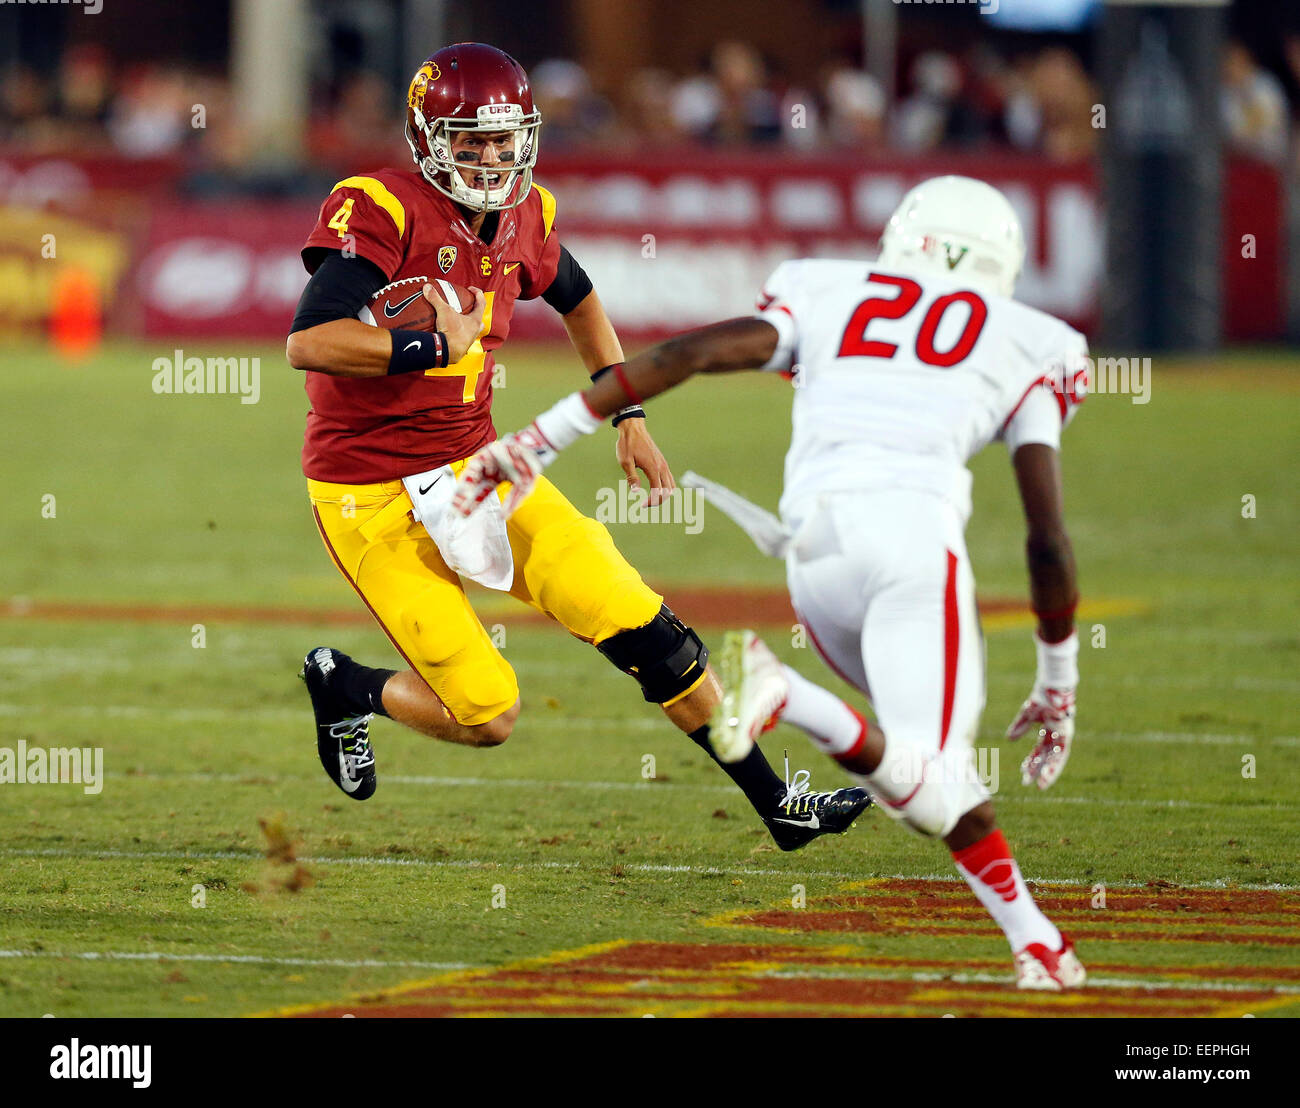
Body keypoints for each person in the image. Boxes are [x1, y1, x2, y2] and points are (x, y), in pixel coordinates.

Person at [453, 175, 1088, 990]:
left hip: (815, 564)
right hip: (909, 553)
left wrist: (538, 438)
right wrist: (1059, 676)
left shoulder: (825, 286)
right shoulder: (1033, 339)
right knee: (932, 774)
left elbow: (686, 355)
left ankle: (1035, 943)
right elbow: (1047, 539)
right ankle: (790, 696)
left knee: (928, 781)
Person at [284, 42, 870, 851]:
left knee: (639, 620)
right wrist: (430, 350)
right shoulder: (381, 207)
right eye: (469, 141)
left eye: (502, 140)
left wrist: (628, 413)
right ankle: (344, 685)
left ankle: (777, 805)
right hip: (370, 493)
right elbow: (311, 341)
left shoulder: (527, 216)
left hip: (480, 467)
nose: (490, 158)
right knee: (487, 714)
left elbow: (581, 303)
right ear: (428, 140)